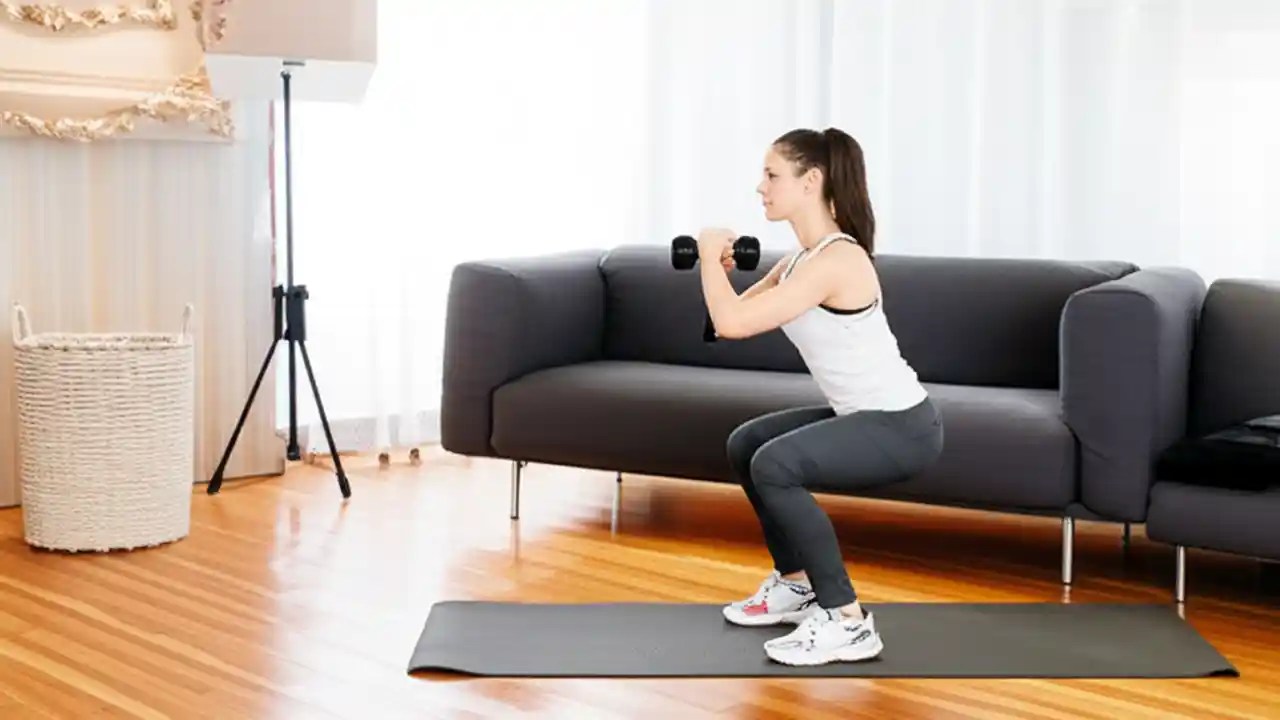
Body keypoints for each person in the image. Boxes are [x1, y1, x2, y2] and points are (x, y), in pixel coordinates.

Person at [695, 127, 944, 667]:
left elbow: (732, 322)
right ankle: (796, 586)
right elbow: (723, 324)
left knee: (776, 464)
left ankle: (848, 620)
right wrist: (715, 270)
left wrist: (709, 251)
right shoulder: (799, 261)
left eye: (771, 174)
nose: (759, 187)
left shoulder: (838, 261)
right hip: (865, 415)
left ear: (811, 182)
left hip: (902, 426)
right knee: (748, 444)